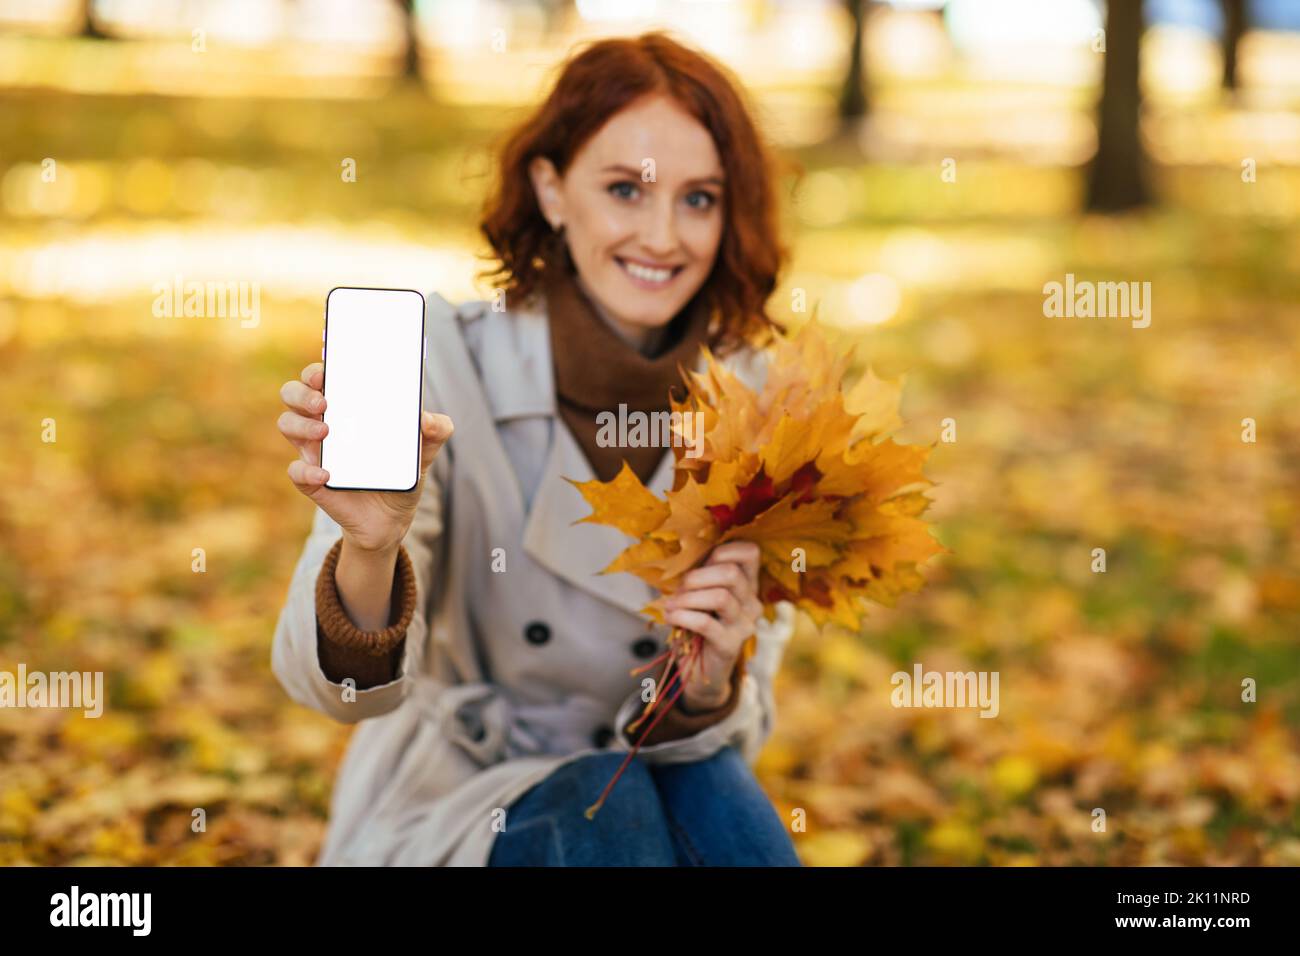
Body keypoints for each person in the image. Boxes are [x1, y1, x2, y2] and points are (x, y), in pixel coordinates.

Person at [272, 31, 800, 866]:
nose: (664, 236)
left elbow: (749, 710)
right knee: (605, 816)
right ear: (551, 189)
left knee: (733, 821)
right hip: (460, 795)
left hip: (660, 769)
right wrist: (369, 550)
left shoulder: (757, 399)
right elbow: (334, 694)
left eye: (699, 198)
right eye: (626, 189)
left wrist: (709, 685)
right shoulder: (446, 360)